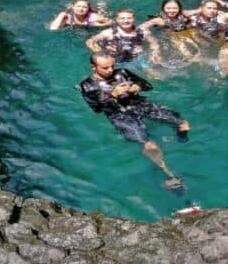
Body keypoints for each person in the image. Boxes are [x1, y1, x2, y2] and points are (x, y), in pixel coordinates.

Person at [77, 53, 190, 189]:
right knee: (149, 145)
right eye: (105, 68)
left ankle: (181, 140)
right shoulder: (87, 86)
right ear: (93, 67)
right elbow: (97, 109)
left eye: (112, 66)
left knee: (183, 124)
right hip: (119, 114)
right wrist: (112, 95)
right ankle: (169, 176)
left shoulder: (122, 73)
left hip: (140, 104)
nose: (110, 70)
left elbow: (148, 86)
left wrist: (138, 87)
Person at [87, 8, 159, 62]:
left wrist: (154, 53)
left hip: (136, 60)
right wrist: (100, 52)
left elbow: (154, 43)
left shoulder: (143, 33)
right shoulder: (108, 33)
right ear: (117, 20)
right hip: (113, 60)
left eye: (129, 18)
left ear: (134, 19)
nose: (126, 21)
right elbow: (90, 41)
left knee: (153, 73)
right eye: (122, 18)